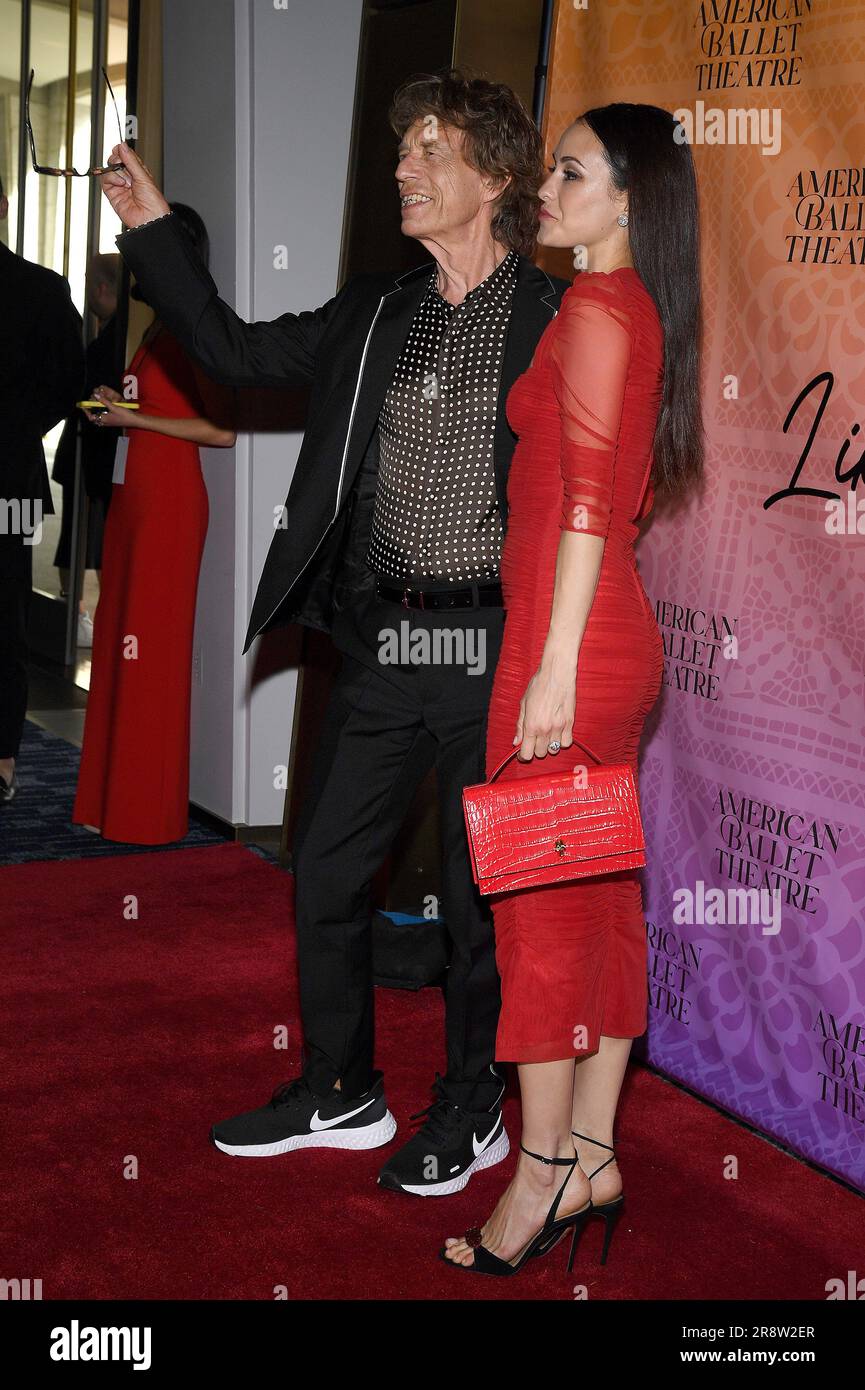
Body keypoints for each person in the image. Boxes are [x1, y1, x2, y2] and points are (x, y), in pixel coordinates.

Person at [99, 71, 571, 1195]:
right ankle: (342, 1086)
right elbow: (233, 350)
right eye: (401, 150)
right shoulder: (375, 309)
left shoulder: (558, 321)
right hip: (381, 640)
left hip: (493, 652)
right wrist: (156, 233)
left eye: (431, 150)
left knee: (476, 900)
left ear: (495, 177)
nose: (403, 167)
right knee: (322, 871)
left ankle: (473, 1106)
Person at [443, 104, 703, 1274]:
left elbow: (590, 501)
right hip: (601, 643)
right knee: (594, 904)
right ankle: (592, 1150)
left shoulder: (600, 307)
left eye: (569, 171)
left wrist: (546, 666)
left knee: (540, 917)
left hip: (570, 645)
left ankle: (539, 1173)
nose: (545, 187)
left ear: (628, 199)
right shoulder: (632, 308)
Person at [71, 203, 236, 844]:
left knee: (151, 655)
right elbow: (152, 407)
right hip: (133, 500)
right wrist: (119, 404)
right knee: (119, 641)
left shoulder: (197, 328)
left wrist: (135, 420)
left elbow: (221, 431)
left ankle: (146, 814)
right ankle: (109, 802)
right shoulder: (158, 328)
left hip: (168, 506)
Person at [0, 171, 85, 803]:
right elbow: (70, 383)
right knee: (5, 616)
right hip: (12, 481)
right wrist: (22, 424)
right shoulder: (42, 289)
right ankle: (2, 759)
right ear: (2, 205)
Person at [52, 252, 123, 649]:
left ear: (99, 287)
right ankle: (80, 616)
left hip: (93, 455)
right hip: (94, 456)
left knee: (79, 537)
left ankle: (75, 615)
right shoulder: (117, 335)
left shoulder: (103, 343)